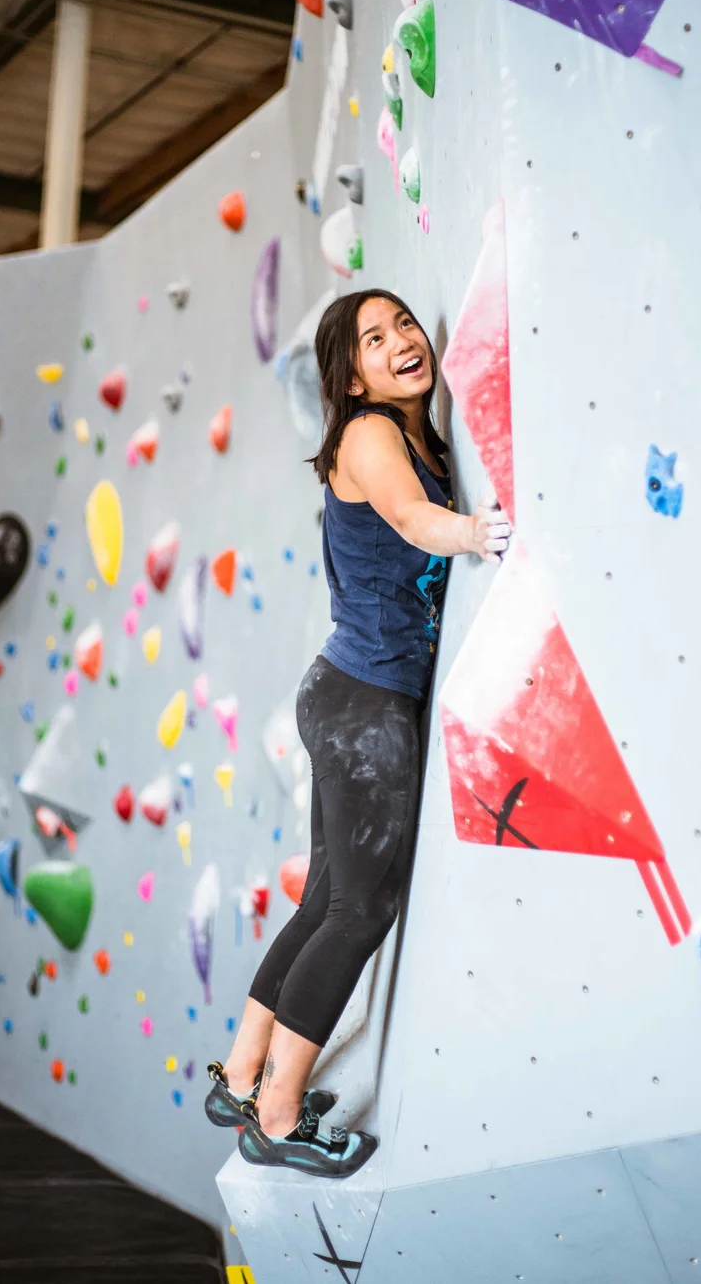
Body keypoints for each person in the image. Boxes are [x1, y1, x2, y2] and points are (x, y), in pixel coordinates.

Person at [205, 290, 510, 1177]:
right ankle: (277, 1115)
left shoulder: (415, 435)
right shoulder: (370, 433)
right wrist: (477, 532)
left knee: (326, 903)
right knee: (360, 910)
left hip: (349, 695)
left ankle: (243, 1073)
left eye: (405, 323)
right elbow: (414, 521)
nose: (402, 341)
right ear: (350, 377)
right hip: (364, 704)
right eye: (374, 339)